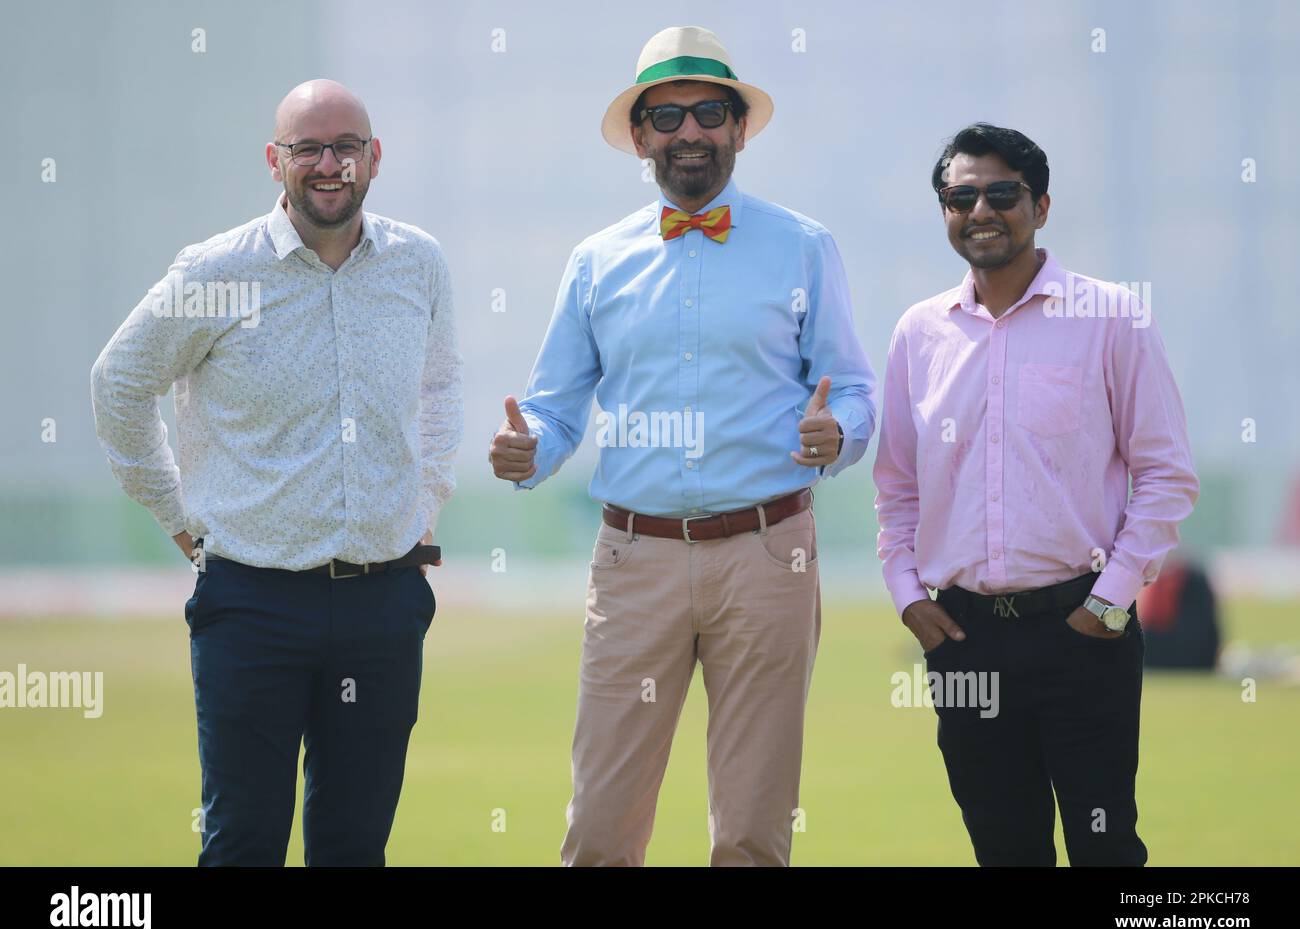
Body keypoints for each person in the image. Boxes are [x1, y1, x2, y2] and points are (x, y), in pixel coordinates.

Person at [490, 26, 877, 866]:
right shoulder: (597, 262)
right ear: (640, 137)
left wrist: (837, 431)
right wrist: (532, 452)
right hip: (636, 560)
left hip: (770, 555)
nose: (689, 132)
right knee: (600, 828)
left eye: (710, 112)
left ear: (739, 128)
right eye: (667, 117)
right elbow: (556, 410)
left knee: (750, 831)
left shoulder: (803, 246)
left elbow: (852, 386)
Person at [90, 79, 462, 866]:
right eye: (308, 149)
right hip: (253, 603)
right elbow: (118, 385)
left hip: (384, 602)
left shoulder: (418, 263)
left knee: (355, 847)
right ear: (275, 161)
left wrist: (425, 502)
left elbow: (438, 390)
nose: (330, 165)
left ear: (374, 157)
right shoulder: (215, 271)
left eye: (346, 148)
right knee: (244, 844)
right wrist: (178, 516)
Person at [873, 122, 1198, 866]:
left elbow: (1164, 473)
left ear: (1041, 206)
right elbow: (896, 488)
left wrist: (1110, 599)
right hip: (961, 639)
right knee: (1003, 848)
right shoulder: (919, 334)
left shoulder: (1112, 317)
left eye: (1001, 193)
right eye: (960, 196)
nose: (980, 209)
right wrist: (909, 600)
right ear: (945, 211)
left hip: (1084, 628)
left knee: (1106, 849)